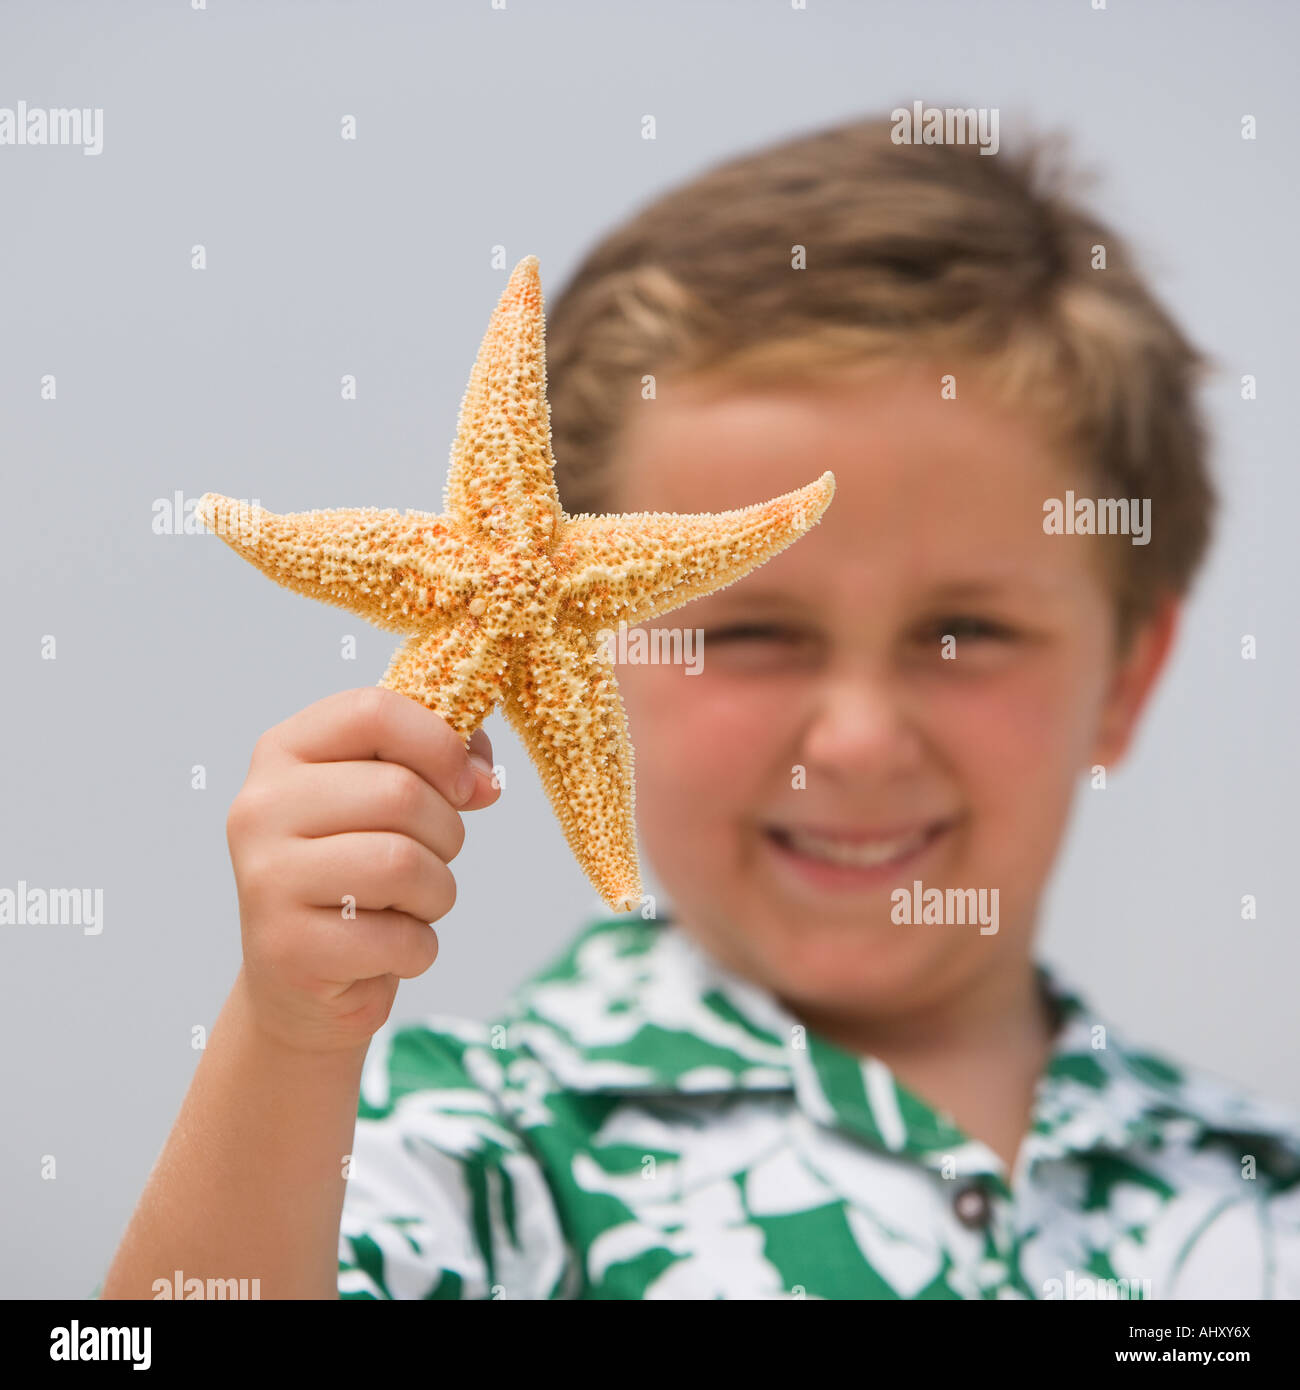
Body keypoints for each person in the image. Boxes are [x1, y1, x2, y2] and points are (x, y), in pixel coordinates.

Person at [98, 113, 1300, 1301]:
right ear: (587, 659)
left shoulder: (1259, 1201)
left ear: (1126, 680)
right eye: (753, 631)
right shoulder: (468, 1146)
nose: (858, 739)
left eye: (962, 634)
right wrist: (290, 1039)